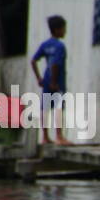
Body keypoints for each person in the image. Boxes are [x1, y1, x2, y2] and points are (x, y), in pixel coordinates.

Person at [31, 15, 68, 145]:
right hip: (57, 81)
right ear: (57, 29)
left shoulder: (45, 45)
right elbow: (55, 65)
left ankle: (45, 137)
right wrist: (54, 82)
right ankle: (59, 136)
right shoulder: (59, 46)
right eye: (64, 28)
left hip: (46, 79)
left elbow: (33, 60)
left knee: (45, 107)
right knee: (58, 107)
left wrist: (39, 78)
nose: (65, 31)